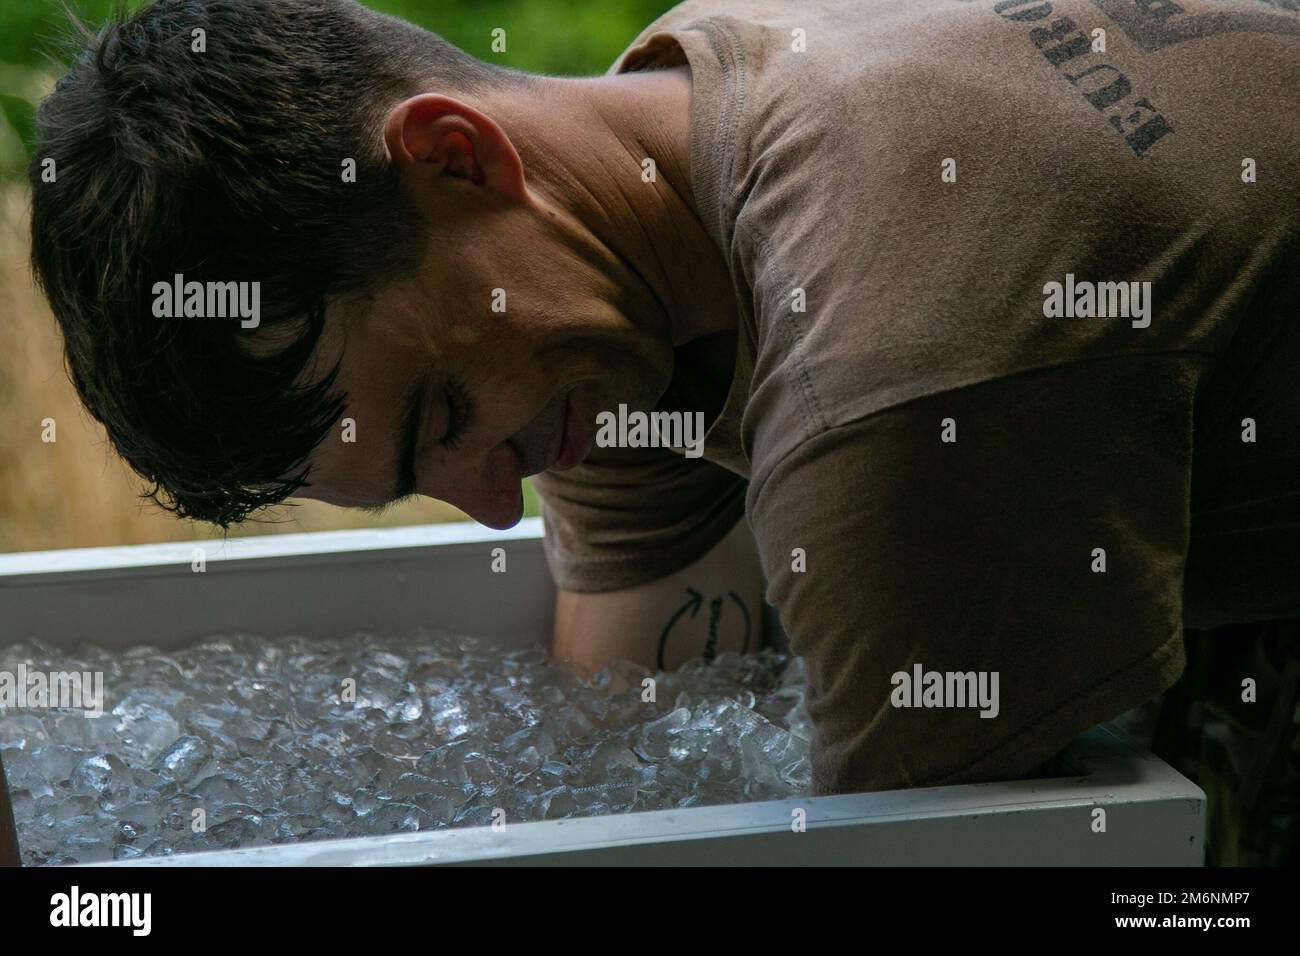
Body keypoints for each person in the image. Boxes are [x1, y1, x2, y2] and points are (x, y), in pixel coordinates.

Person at [22, 0, 1300, 810]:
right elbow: (618, 728)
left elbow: (929, 862)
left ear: (456, 155)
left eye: (441, 419)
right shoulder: (666, 156)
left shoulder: (895, 386)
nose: (489, 499)